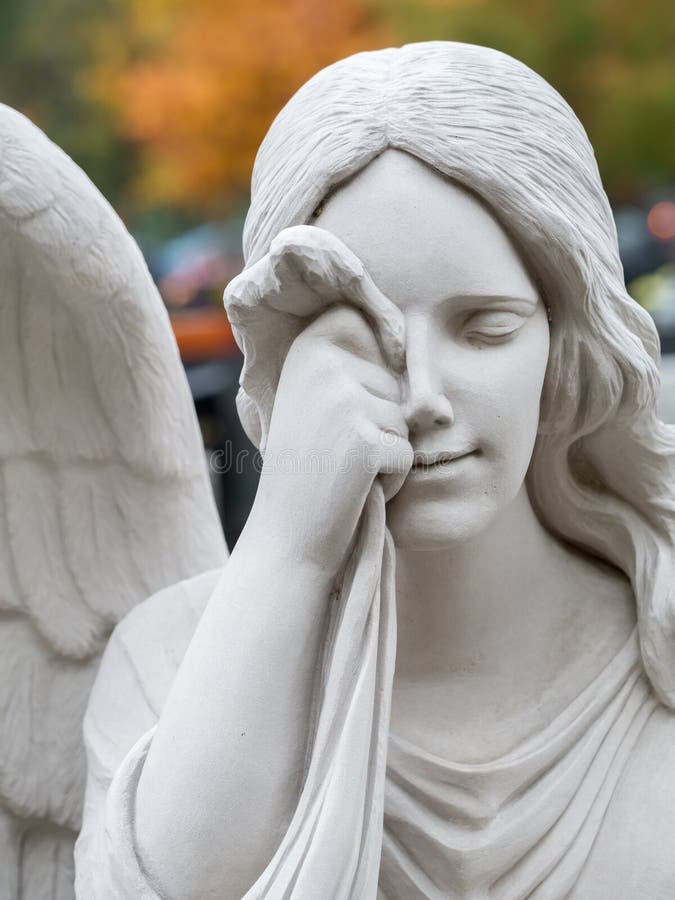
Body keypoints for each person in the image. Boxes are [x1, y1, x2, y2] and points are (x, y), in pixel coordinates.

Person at [75, 42, 675, 899]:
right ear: (283, 347)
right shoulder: (167, 663)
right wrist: (289, 545)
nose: (421, 394)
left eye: (484, 327)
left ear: (564, 342)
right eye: (366, 333)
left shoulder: (660, 647)